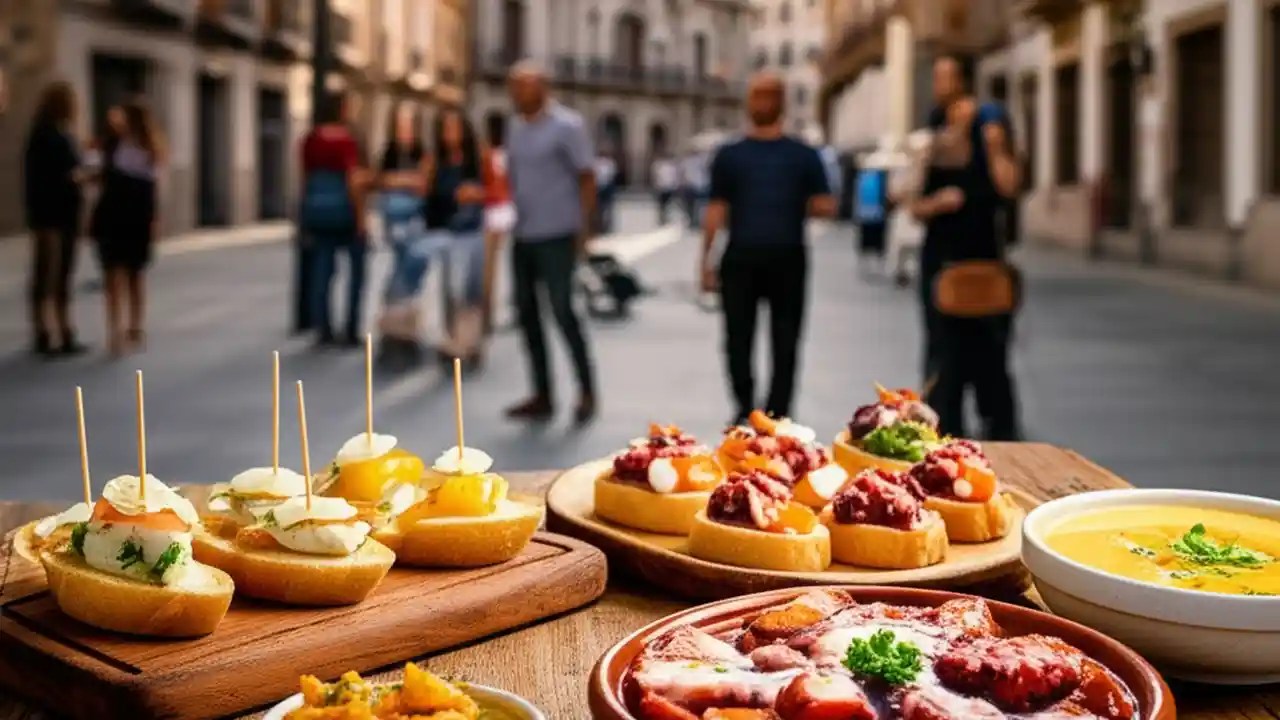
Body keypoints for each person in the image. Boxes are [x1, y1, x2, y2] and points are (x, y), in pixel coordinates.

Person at [701, 72, 836, 423]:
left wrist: (793, 202)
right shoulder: (728, 155)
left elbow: (826, 205)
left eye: (767, 95)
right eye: (755, 95)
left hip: (788, 258)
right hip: (740, 258)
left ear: (781, 103)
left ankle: (777, 415)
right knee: (736, 339)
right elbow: (714, 209)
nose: (760, 102)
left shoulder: (805, 155)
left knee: (786, 341)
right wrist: (705, 259)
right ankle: (744, 408)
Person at [911, 55, 1022, 440]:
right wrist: (938, 203)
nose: (939, 85)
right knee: (943, 354)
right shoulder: (935, 126)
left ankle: (1000, 430)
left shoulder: (989, 122)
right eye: (937, 76)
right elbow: (915, 205)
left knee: (991, 351)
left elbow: (1009, 187)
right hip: (940, 259)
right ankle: (946, 431)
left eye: (945, 77)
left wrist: (994, 147)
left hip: (984, 256)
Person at [504, 61, 598, 424]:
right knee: (527, 315)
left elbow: (586, 176)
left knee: (563, 312)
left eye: (524, 86)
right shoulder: (514, 128)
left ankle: (586, 391)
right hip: (524, 234)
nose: (517, 93)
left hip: (558, 234)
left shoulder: (568, 126)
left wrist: (585, 230)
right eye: (514, 87)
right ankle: (542, 393)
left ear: (543, 87)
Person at [92, 100, 163, 357]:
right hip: (113, 216)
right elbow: (103, 177)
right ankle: (116, 332)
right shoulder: (113, 144)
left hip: (133, 217)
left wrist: (153, 220)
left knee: (133, 275)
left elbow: (152, 189)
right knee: (114, 276)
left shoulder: (149, 148)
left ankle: (134, 327)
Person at [22, 81, 87, 357]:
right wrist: (79, 176)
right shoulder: (48, 136)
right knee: (51, 273)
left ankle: (55, 329)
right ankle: (50, 331)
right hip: (52, 215)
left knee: (56, 274)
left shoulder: (53, 133)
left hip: (57, 214)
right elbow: (56, 175)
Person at [300, 92, 368, 348]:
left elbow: (304, 178)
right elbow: (353, 181)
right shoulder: (346, 140)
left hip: (318, 213)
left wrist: (305, 214)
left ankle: (323, 329)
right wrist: (361, 217)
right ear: (341, 109)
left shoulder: (311, 140)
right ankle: (351, 329)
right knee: (356, 273)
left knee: (322, 272)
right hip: (345, 214)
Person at [426, 108, 488, 364]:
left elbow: (494, 190)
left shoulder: (478, 159)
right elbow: (428, 194)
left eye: (456, 128)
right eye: (446, 128)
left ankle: (471, 342)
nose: (451, 134)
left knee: (471, 288)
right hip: (448, 231)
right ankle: (453, 339)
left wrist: (477, 194)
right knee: (451, 288)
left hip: (473, 230)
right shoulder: (435, 161)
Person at [374, 104, 429, 364]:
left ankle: (405, 328)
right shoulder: (389, 153)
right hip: (395, 220)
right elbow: (383, 181)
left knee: (414, 268)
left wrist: (399, 181)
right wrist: (405, 182)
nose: (404, 131)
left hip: (415, 220)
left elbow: (423, 184)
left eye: (408, 125)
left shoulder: (422, 154)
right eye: (400, 126)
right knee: (401, 270)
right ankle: (395, 329)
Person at [482, 120, 515, 334]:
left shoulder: (493, 156)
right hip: (498, 210)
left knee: (494, 268)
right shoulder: (489, 156)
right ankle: (488, 314)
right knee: (491, 269)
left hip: (502, 209)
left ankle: (491, 313)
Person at [854, 152, 891, 272]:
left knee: (873, 237)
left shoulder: (869, 177)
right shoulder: (870, 177)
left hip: (872, 212)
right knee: (869, 237)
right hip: (870, 212)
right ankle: (870, 259)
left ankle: (873, 259)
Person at [680, 148, 709, 229]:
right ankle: (695, 221)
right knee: (697, 205)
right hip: (697, 185)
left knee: (693, 205)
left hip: (694, 186)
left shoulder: (696, 161)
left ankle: (694, 221)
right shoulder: (700, 161)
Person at [594, 148, 618, 234]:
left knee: (608, 207)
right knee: (600, 208)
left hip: (607, 186)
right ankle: (600, 226)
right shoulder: (596, 162)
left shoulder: (610, 162)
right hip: (598, 187)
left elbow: (612, 174)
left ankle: (607, 226)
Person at [651, 152, 679, 225]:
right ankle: (662, 217)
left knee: (668, 204)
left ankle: (666, 217)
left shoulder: (671, 166)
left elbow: (674, 176)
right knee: (662, 204)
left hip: (669, 187)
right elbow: (656, 176)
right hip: (662, 187)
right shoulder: (659, 165)